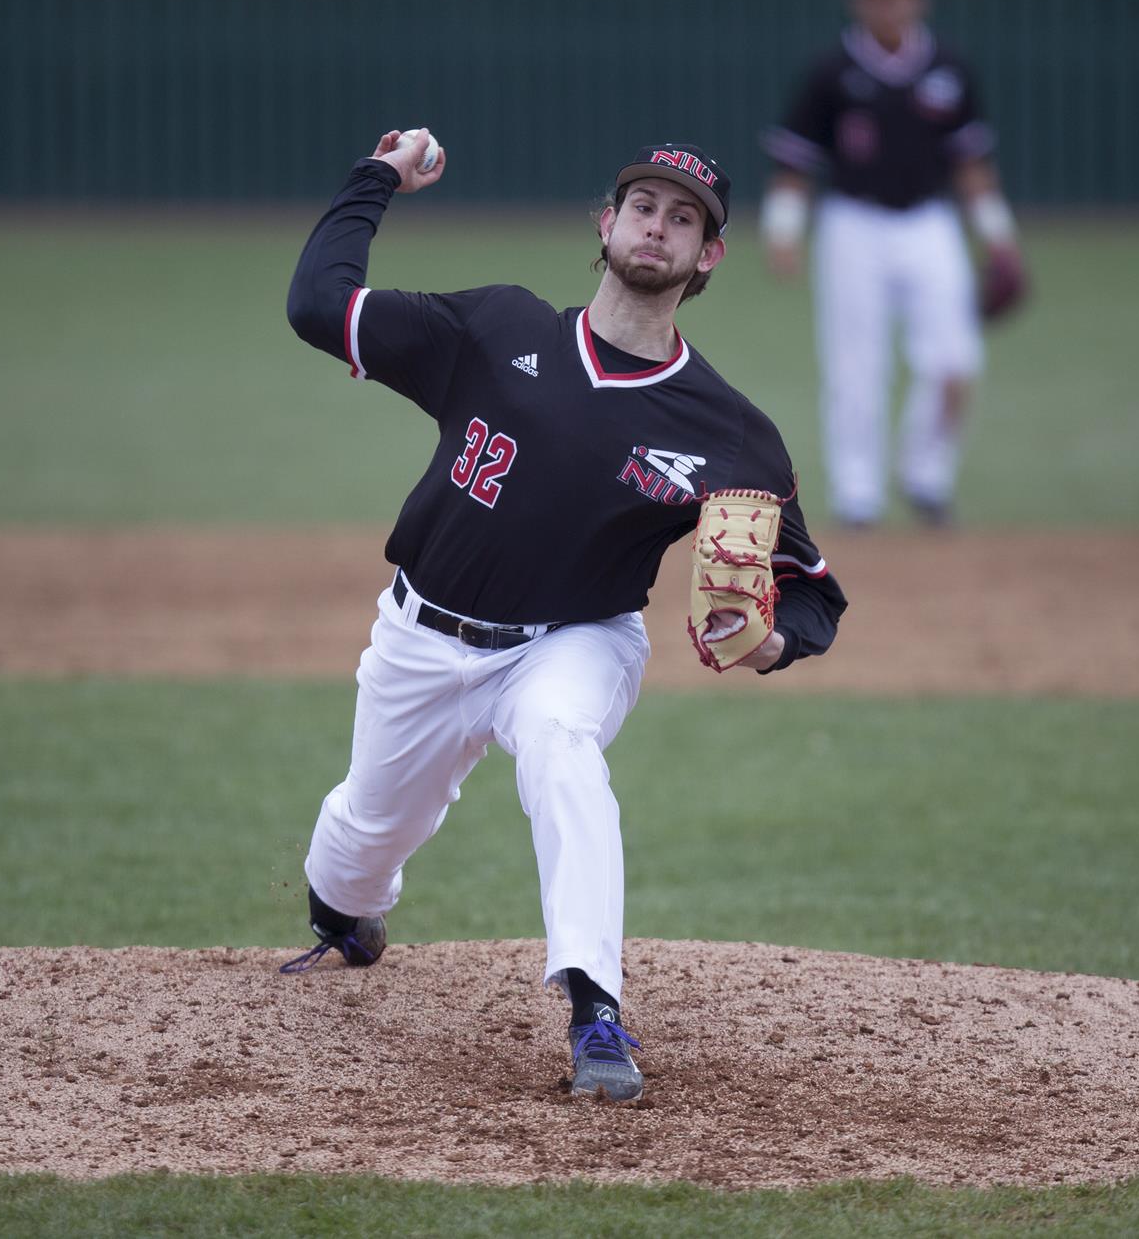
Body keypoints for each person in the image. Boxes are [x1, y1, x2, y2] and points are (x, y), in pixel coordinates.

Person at [280, 128, 848, 1101]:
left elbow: (812, 588)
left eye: (685, 219)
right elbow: (316, 306)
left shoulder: (727, 432)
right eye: (644, 207)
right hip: (418, 637)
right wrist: (375, 178)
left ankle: (595, 1013)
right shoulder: (495, 330)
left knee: (560, 743)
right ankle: (346, 913)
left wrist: (772, 640)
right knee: (361, 839)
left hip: (574, 641)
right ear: (607, 222)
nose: (658, 227)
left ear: (707, 255)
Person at [761, 0, 1028, 529]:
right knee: (856, 364)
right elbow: (795, 163)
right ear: (859, 1)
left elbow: (972, 165)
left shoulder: (948, 68)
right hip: (852, 224)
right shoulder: (831, 72)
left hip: (929, 223)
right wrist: (784, 231)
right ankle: (859, 495)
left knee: (955, 359)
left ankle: (926, 477)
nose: (890, 1)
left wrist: (999, 239)